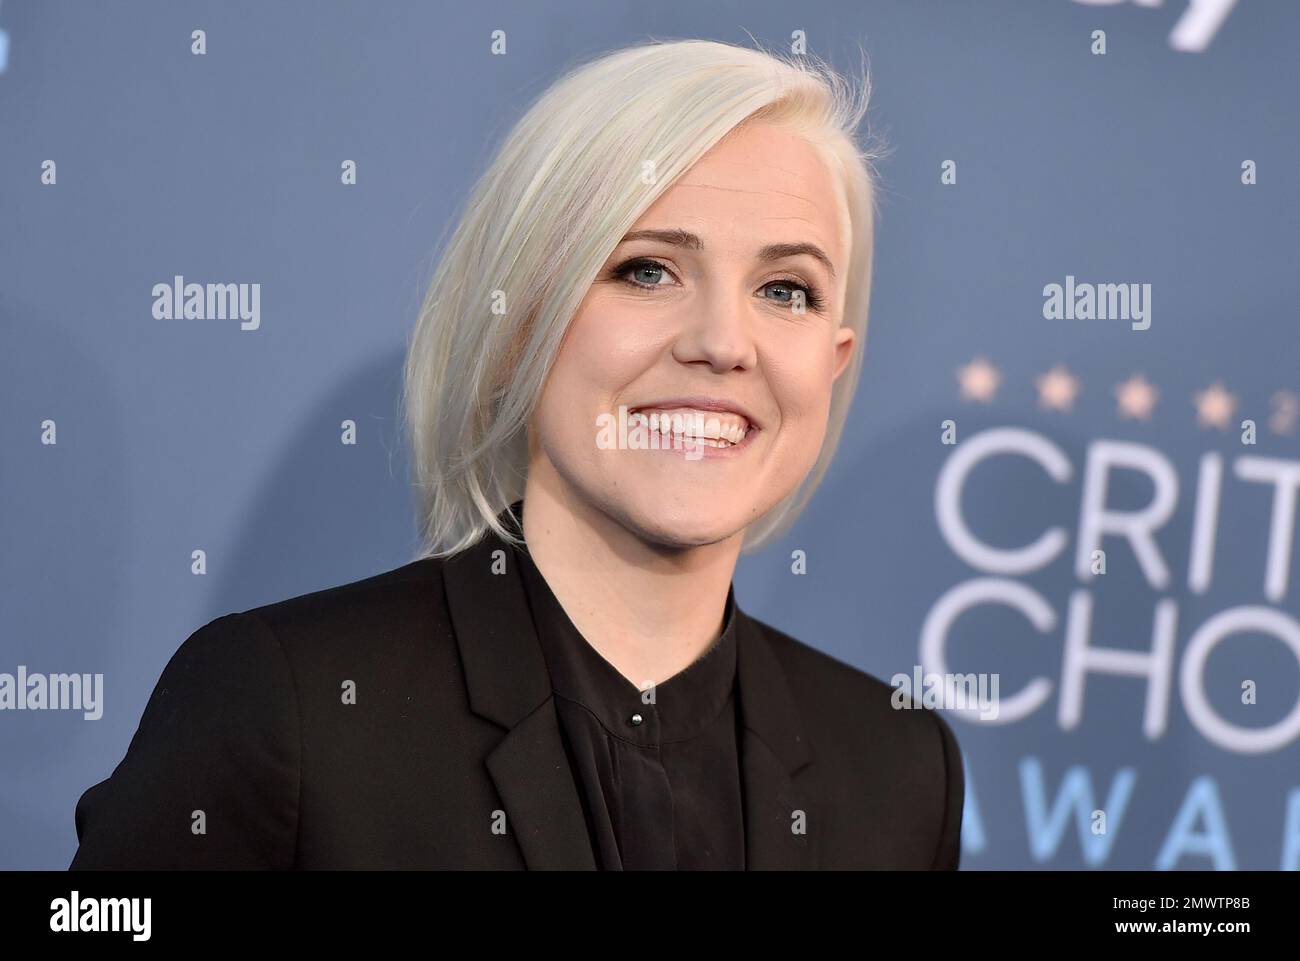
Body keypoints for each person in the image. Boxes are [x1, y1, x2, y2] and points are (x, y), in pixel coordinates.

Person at [70, 37, 963, 870]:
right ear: (516, 326)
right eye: (646, 270)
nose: (725, 342)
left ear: (832, 362)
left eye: (785, 289)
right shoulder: (289, 706)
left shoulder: (898, 767)